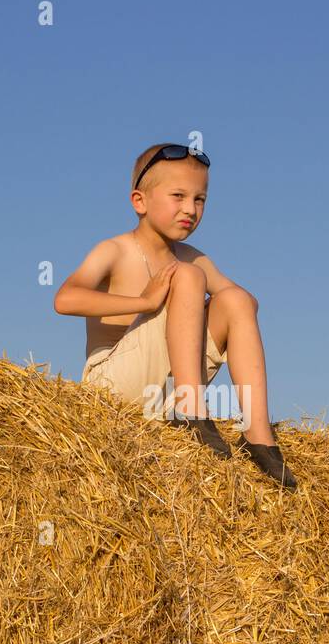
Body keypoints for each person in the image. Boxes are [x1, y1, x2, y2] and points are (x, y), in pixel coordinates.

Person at [53, 143, 297, 489]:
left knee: (235, 299)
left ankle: (258, 435)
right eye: (178, 196)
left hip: (161, 391)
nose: (191, 209)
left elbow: (246, 304)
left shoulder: (194, 257)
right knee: (186, 276)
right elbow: (65, 299)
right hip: (112, 389)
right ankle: (192, 409)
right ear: (139, 201)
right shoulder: (116, 250)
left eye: (200, 199)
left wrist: (200, 307)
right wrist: (144, 302)